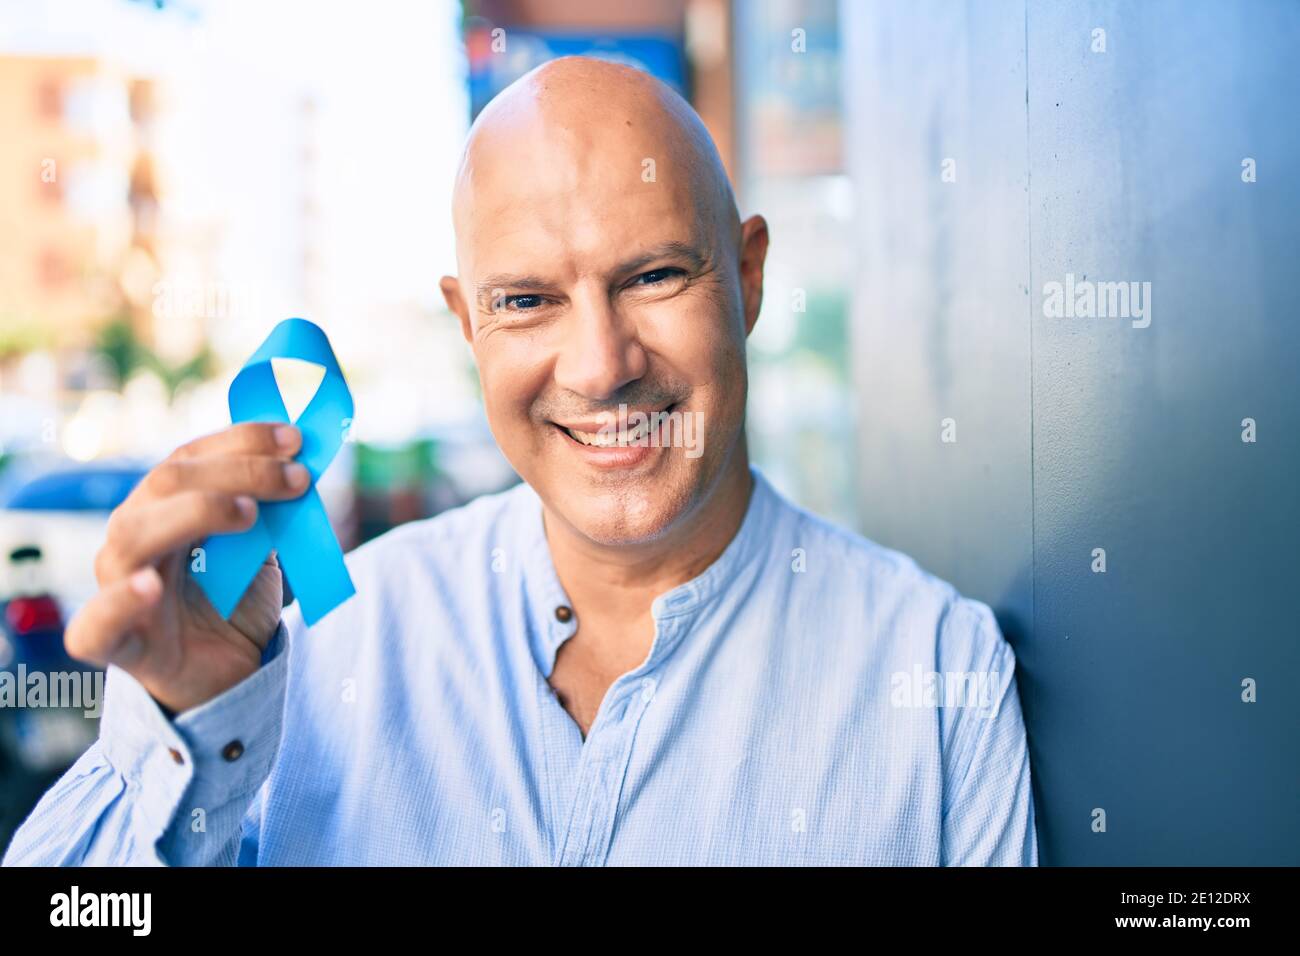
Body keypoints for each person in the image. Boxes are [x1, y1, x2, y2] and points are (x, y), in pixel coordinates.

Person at [3, 56, 1036, 866]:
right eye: (527, 300)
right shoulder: (319, 648)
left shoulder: (941, 678)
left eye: (655, 275)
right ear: (466, 322)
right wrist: (182, 736)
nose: (598, 367)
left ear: (749, 278)